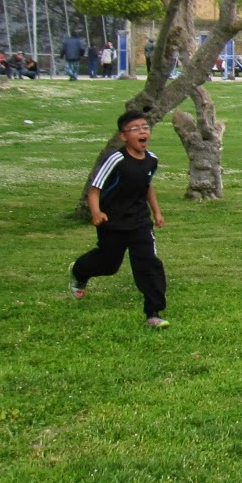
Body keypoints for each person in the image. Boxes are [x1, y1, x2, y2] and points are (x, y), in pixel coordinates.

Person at [69, 109, 170, 328]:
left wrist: (157, 212)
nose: (142, 132)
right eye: (135, 129)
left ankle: (153, 313)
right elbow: (94, 189)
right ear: (124, 136)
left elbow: (147, 186)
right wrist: (96, 212)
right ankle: (79, 271)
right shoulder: (115, 160)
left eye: (145, 127)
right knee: (108, 264)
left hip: (140, 222)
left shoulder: (151, 160)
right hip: (112, 221)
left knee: (148, 263)